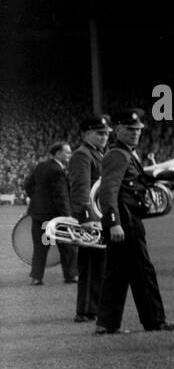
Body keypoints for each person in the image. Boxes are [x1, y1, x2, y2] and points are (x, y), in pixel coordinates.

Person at [95, 114, 174, 335]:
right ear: (118, 130)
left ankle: (106, 324)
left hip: (127, 219)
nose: (136, 133)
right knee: (143, 270)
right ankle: (155, 321)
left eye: (138, 129)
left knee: (118, 273)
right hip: (126, 220)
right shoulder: (118, 154)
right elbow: (108, 191)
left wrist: (163, 176)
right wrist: (114, 223)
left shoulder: (125, 153)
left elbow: (135, 182)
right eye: (130, 129)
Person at [68, 116, 111, 320]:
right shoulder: (82, 155)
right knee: (91, 266)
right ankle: (85, 311)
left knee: (100, 266)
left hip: (100, 217)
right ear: (86, 134)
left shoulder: (97, 153)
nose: (104, 137)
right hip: (91, 218)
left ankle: (93, 308)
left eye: (106, 133)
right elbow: (80, 189)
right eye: (99, 133)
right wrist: (85, 218)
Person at [23, 141, 77, 285]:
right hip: (56, 216)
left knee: (40, 248)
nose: (70, 155)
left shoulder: (40, 166)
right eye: (67, 152)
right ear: (58, 154)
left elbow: (27, 185)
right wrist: (67, 216)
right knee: (67, 246)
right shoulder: (58, 171)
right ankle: (71, 275)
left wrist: (37, 200)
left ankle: (36, 277)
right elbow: (60, 195)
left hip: (38, 215)